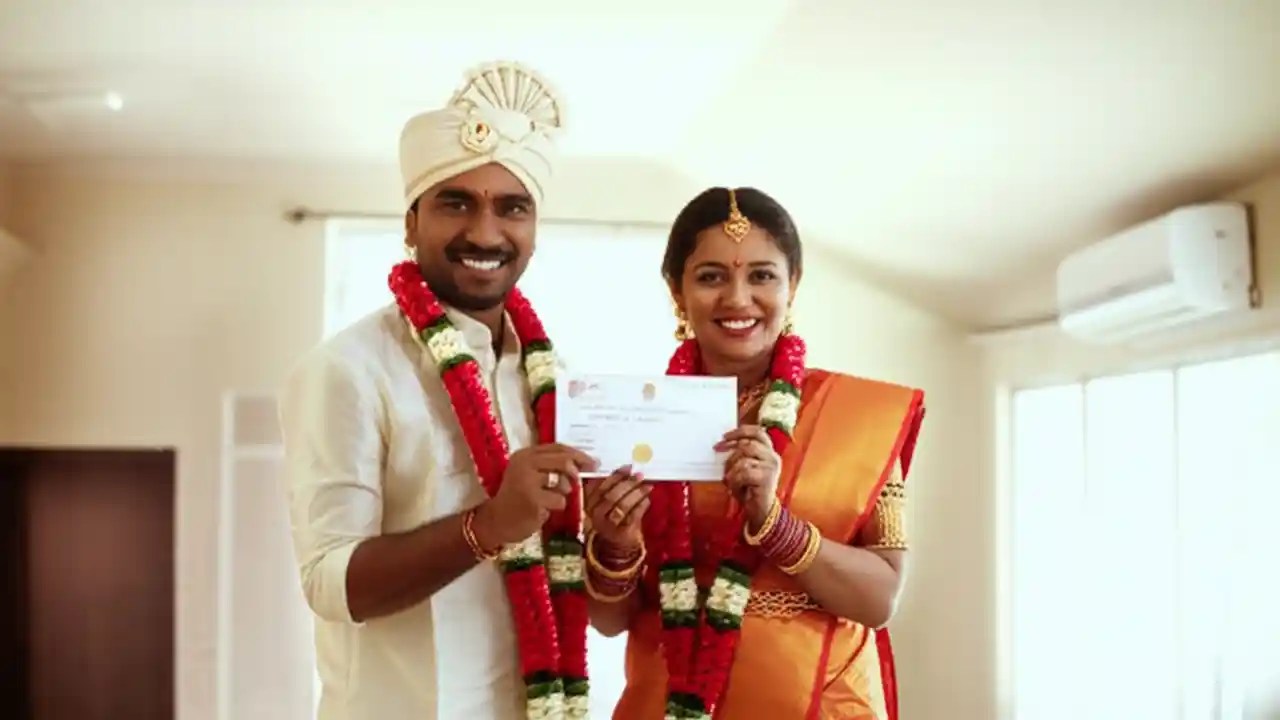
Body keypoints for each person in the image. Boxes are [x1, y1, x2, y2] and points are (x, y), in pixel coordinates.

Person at [279, 61, 599, 720]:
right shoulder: (349, 369)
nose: (485, 233)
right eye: (456, 202)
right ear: (410, 222)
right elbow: (331, 584)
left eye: (512, 208)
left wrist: (615, 538)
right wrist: (489, 526)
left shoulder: (554, 378)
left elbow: (573, 569)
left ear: (534, 230)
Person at [582, 187, 927, 720]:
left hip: (823, 704)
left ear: (794, 285)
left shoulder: (859, 416)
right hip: (667, 700)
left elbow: (879, 601)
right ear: (677, 291)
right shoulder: (633, 421)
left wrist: (773, 522)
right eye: (711, 276)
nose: (738, 299)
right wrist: (618, 543)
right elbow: (609, 620)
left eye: (762, 275)